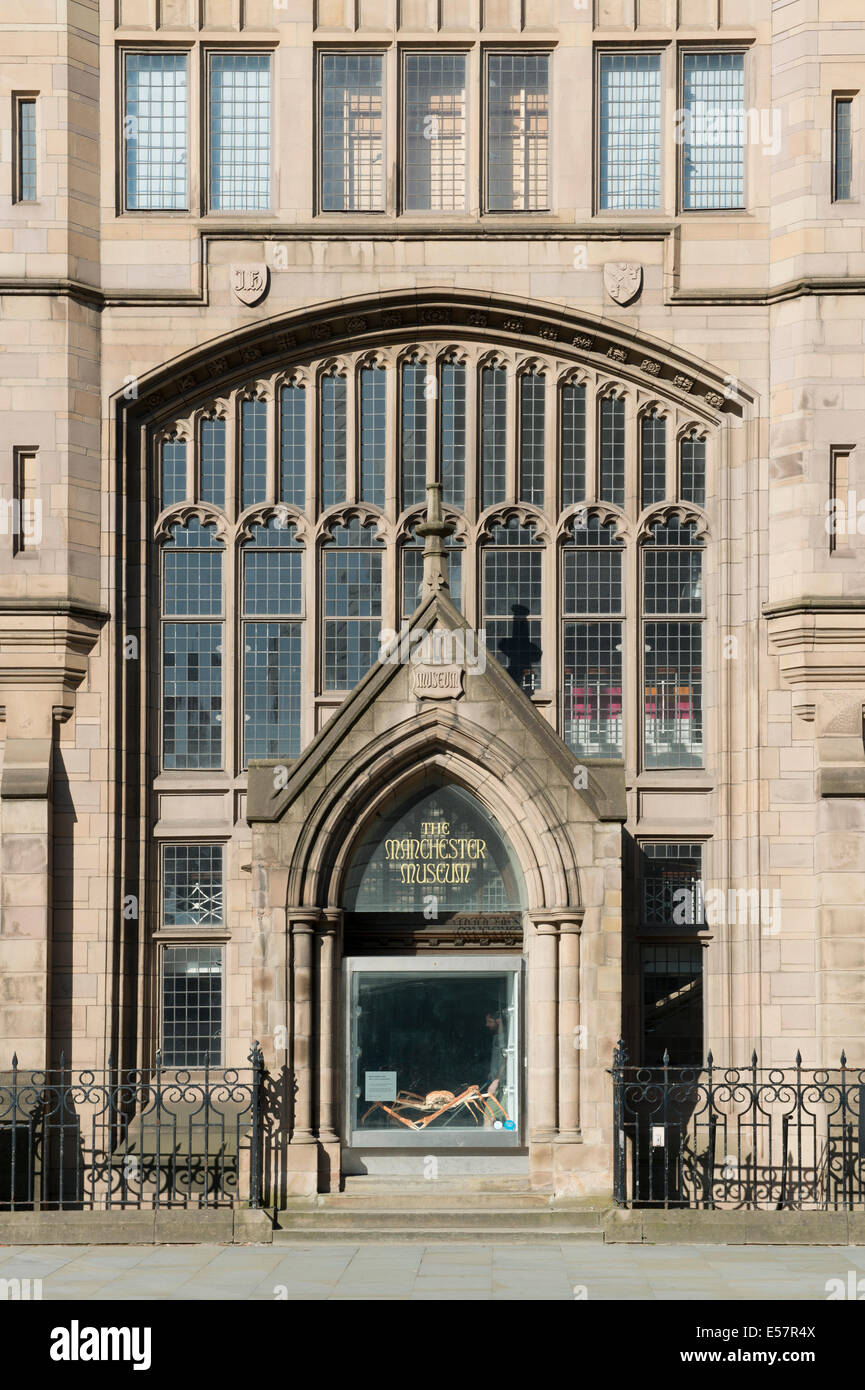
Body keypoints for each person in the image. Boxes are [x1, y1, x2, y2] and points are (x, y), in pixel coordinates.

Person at [482, 1008, 509, 1125]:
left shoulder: (504, 1037)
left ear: (498, 1021)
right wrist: (492, 1072)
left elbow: (506, 1058)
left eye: (489, 1021)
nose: (486, 1025)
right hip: (499, 1081)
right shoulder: (498, 1036)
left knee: (488, 1114)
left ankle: (487, 1142)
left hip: (502, 1084)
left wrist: (496, 1080)